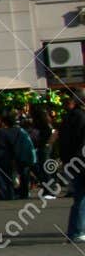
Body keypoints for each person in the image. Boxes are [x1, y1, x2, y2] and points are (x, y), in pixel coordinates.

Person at [55, 87, 85, 241]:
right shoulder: (81, 117)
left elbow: (63, 142)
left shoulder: (67, 118)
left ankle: (76, 230)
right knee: (81, 197)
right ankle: (77, 231)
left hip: (72, 161)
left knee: (79, 195)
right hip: (81, 161)